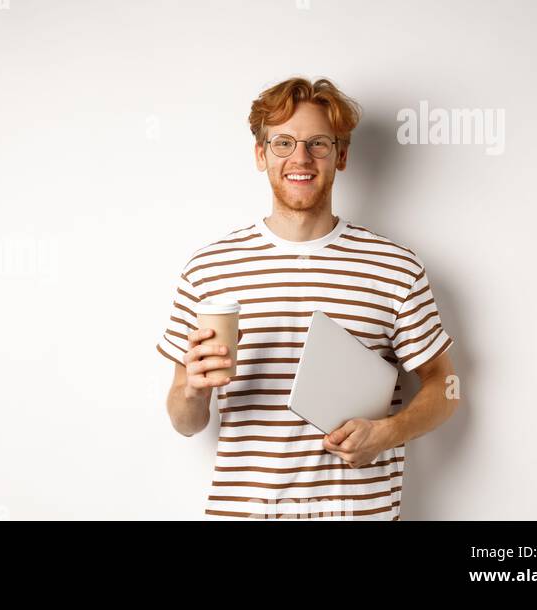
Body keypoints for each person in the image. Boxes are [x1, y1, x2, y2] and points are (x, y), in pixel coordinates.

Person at [157, 77, 459, 520]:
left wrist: (387, 432)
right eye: (283, 142)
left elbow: (446, 389)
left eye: (318, 143)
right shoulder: (209, 269)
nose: (300, 158)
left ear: (342, 155)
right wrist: (193, 389)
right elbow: (185, 423)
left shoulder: (395, 267)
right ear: (261, 155)